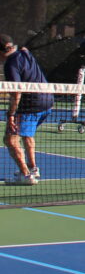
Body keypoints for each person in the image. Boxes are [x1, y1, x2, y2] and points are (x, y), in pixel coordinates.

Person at [3, 35, 53, 186]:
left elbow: (16, 92)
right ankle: (33, 168)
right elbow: (25, 48)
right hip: (48, 101)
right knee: (27, 135)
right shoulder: (24, 53)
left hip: (31, 104)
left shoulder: (10, 64)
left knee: (10, 139)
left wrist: (11, 114)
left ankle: (25, 175)